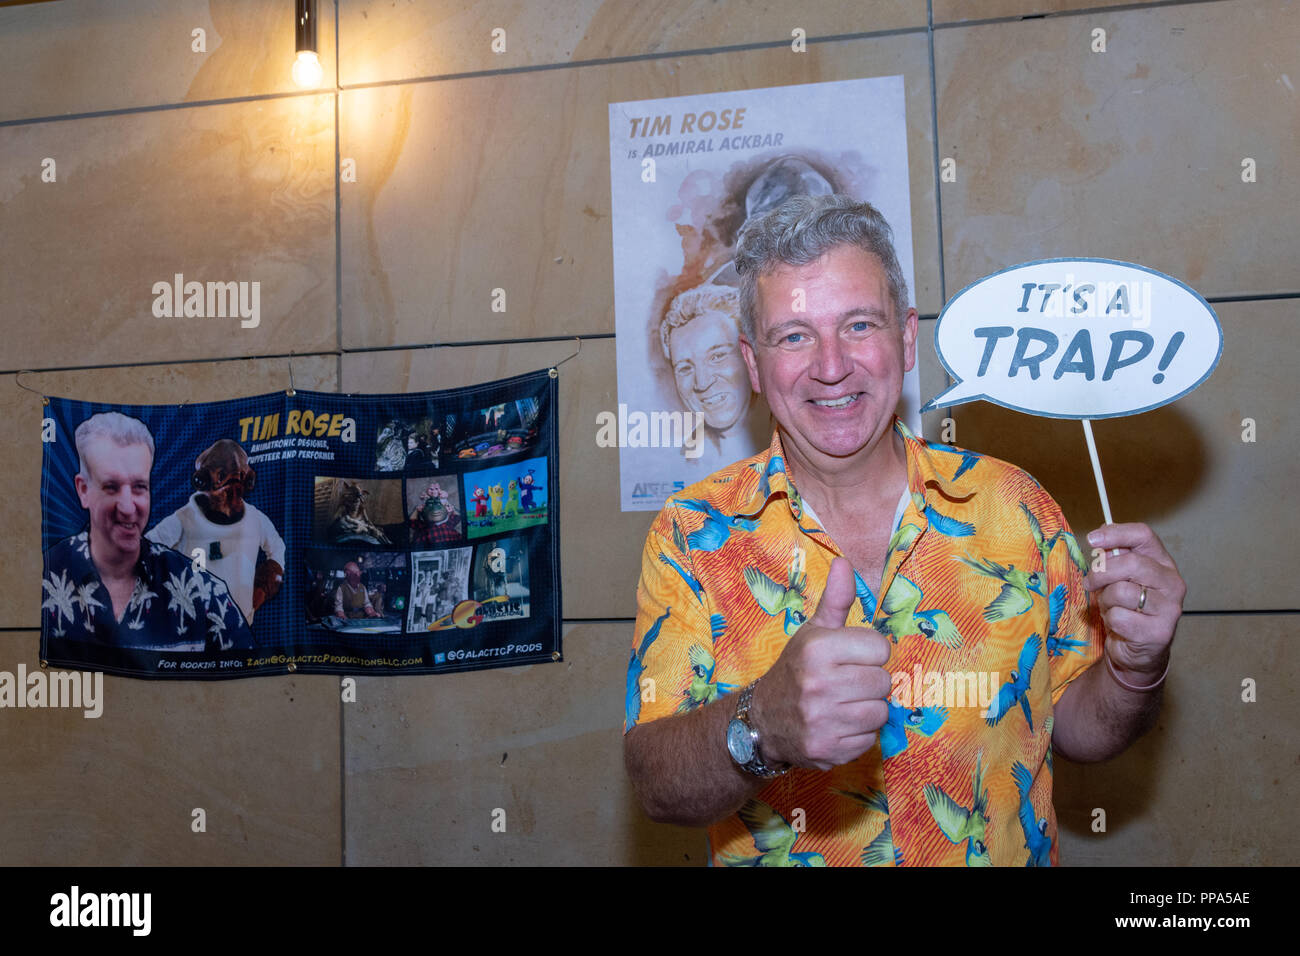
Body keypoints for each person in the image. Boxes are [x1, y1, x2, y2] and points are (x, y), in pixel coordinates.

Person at [623, 194, 1186, 867]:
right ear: (752, 363)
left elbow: (1077, 725)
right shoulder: (693, 536)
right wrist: (760, 726)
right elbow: (657, 783)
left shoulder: (1016, 508)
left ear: (907, 338)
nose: (832, 365)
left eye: (859, 325)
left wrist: (1134, 669)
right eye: (794, 335)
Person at [42, 412, 253, 652]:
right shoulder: (44, 579)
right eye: (111, 487)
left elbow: (249, 677)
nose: (128, 506)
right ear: (83, 490)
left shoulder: (205, 594)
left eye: (139, 487)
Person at [146, 438, 285, 625]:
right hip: (194, 628)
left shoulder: (256, 519)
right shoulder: (183, 519)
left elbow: (278, 550)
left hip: (239, 630)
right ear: (203, 480)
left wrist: (261, 590)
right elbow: (143, 552)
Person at [660, 283, 754, 460]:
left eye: (717, 356)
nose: (702, 383)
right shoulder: (680, 460)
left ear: (750, 355)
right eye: (685, 368)